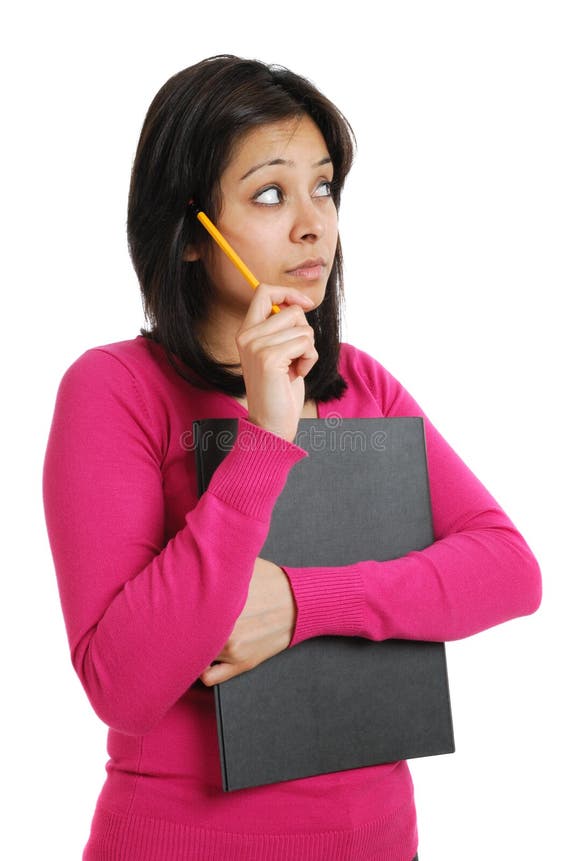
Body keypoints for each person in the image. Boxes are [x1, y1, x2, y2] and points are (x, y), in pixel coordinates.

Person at [43, 54, 541, 861]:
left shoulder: (362, 383)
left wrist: (309, 601)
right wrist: (266, 442)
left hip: (376, 837)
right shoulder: (115, 389)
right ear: (192, 234)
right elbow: (123, 687)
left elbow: (511, 570)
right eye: (270, 193)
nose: (313, 223)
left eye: (324, 187)